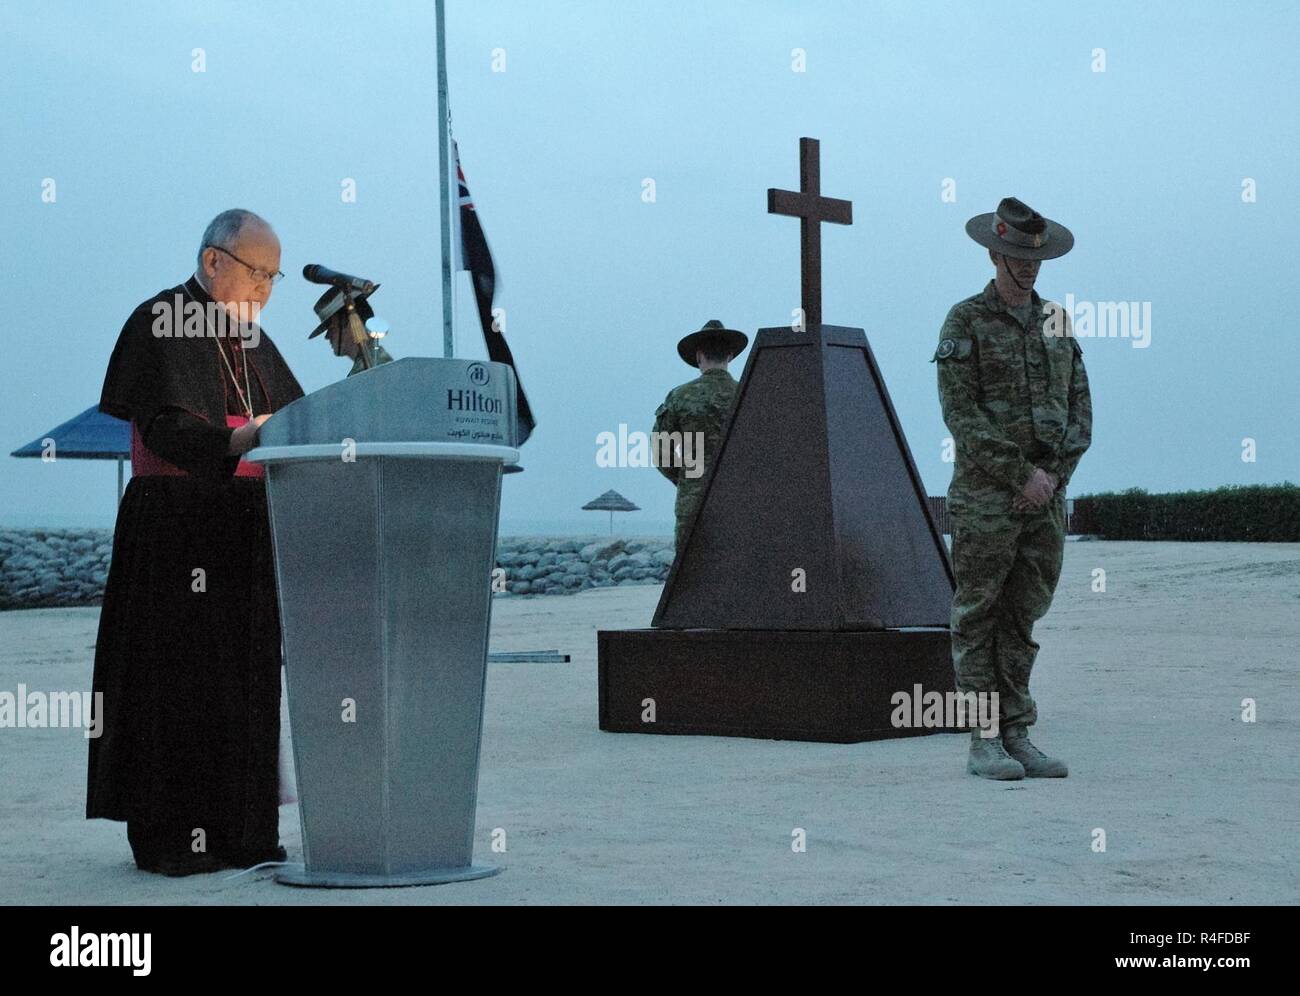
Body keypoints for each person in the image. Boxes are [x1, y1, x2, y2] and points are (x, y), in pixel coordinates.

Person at [89, 208, 304, 874]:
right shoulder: (161, 321)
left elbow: (298, 417)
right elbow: (165, 429)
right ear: (214, 262)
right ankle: (172, 838)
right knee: (175, 683)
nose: (265, 288)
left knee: (246, 681)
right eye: (256, 271)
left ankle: (244, 833)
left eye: (274, 276)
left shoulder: (255, 340)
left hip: (246, 526)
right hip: (176, 524)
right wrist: (236, 439)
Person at [933, 197, 1092, 780]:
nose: (1028, 268)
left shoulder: (1057, 321)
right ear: (995, 253)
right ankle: (983, 739)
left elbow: (1080, 404)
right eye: (1017, 258)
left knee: (1023, 617)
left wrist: (1053, 478)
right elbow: (961, 414)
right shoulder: (965, 321)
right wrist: (1019, 474)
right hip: (986, 498)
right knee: (978, 614)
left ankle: (1018, 733)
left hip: (1045, 499)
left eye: (1035, 259)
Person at [653, 320, 747, 550]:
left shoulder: (679, 396)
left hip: (692, 501)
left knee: (689, 573)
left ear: (698, 356)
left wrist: (687, 478)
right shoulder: (747, 392)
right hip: (738, 501)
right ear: (731, 356)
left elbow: (661, 451)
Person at [308, 287, 392, 376]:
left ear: (352, 324)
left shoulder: (374, 370)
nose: (327, 336)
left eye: (332, 328)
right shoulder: (373, 365)